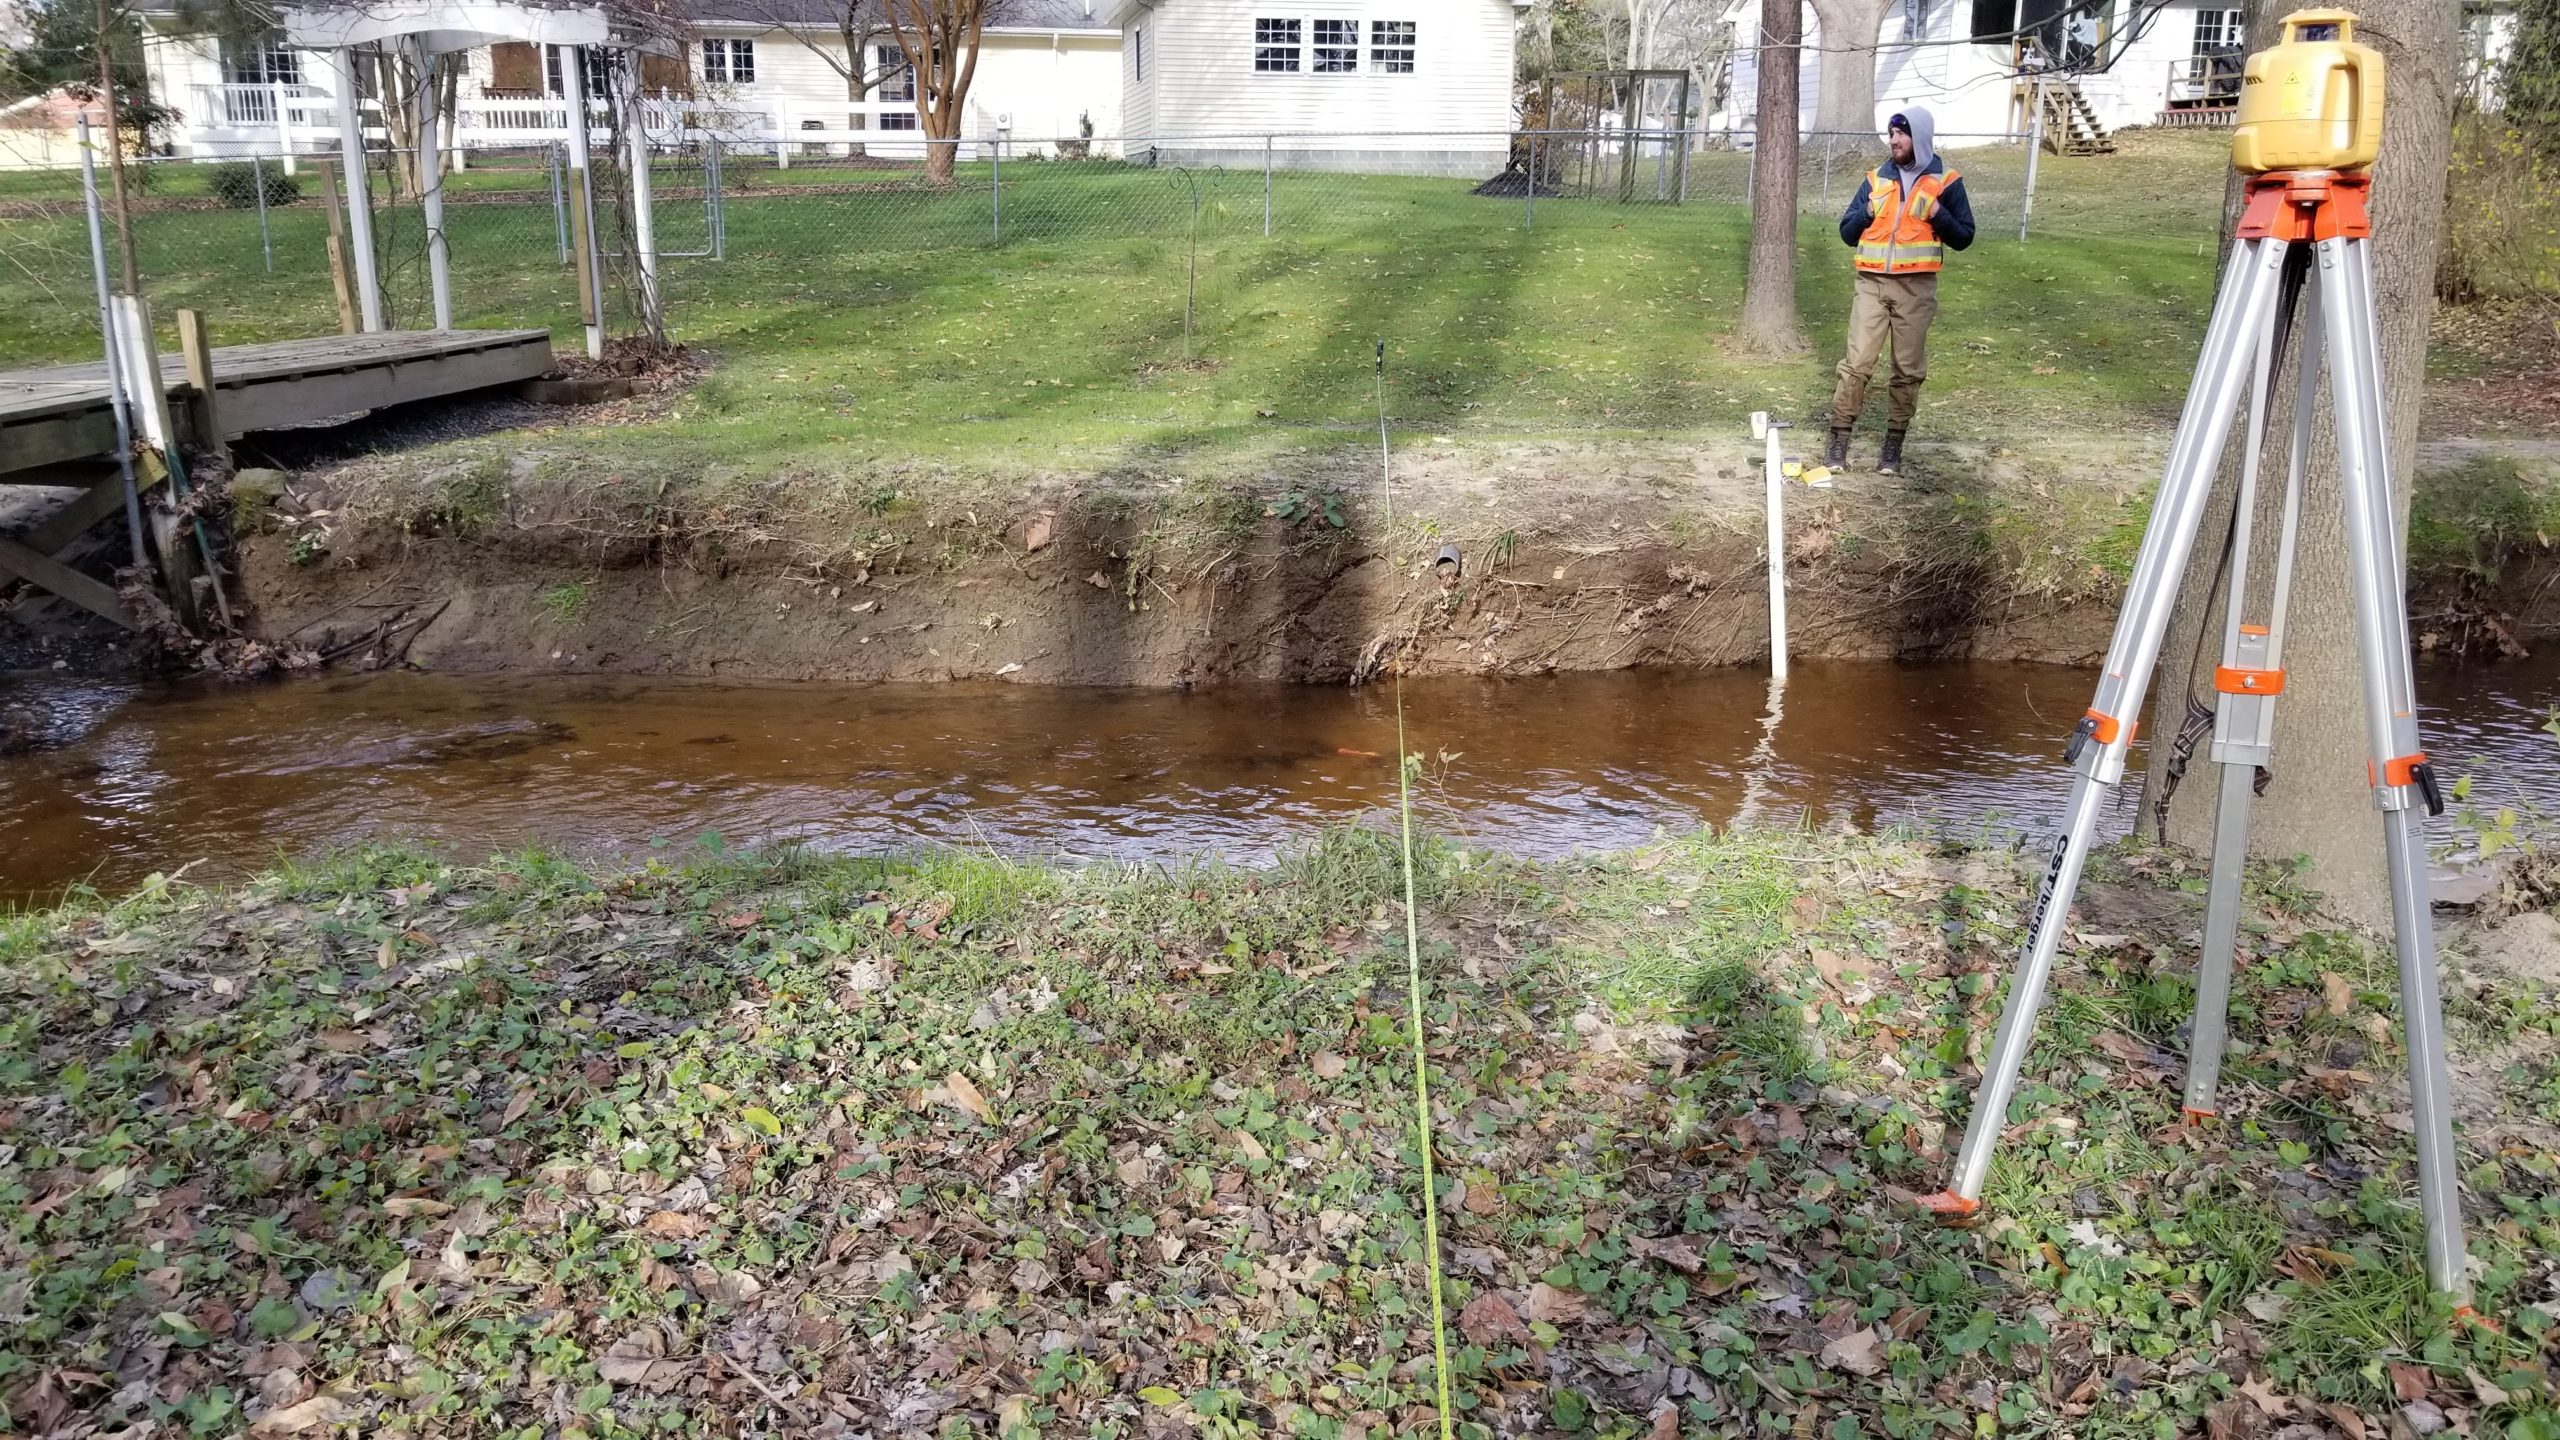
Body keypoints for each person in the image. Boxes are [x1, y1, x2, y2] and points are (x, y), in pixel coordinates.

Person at [1824, 107, 1976, 476]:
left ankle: (1892, 445)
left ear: (1919, 138)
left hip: (1916, 288)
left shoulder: (1947, 182)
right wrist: (1867, 213)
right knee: (1856, 365)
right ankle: (1839, 441)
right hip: (1871, 285)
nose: (1893, 140)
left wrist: (1939, 212)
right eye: (1891, 134)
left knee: (1907, 370)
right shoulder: (1876, 179)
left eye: (1901, 134)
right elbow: (1846, 233)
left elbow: (1964, 238)